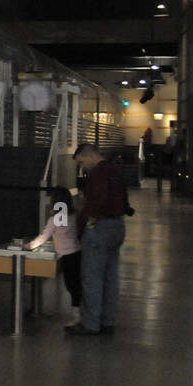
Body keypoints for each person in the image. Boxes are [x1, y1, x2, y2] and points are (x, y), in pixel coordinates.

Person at [68, 143, 127, 336]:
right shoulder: (115, 170)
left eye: (82, 163)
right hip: (117, 226)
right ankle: (107, 320)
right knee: (110, 277)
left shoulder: (98, 174)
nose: (82, 167)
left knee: (92, 278)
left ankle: (90, 324)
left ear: (91, 156)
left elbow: (97, 202)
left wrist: (86, 216)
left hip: (99, 228)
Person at [27, 187, 82, 308]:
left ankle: (81, 318)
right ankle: (83, 316)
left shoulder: (55, 219)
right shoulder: (74, 215)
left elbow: (43, 237)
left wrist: (28, 246)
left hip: (67, 256)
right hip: (78, 253)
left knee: (72, 285)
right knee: (77, 285)